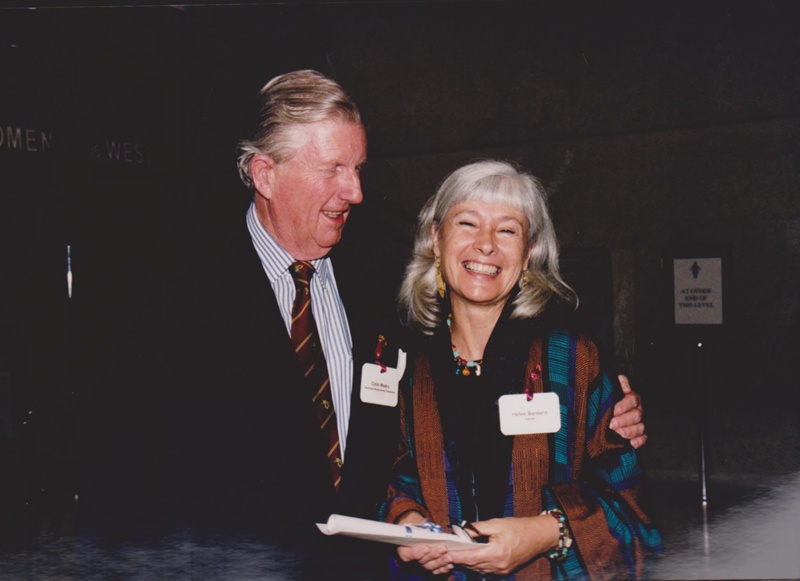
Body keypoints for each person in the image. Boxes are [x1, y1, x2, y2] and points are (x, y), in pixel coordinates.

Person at [179, 71, 648, 576]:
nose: (356, 191)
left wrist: (614, 409)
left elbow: (629, 508)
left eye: (358, 167)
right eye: (334, 168)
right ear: (265, 174)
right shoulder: (180, 296)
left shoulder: (382, 283)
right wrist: (405, 514)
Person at [380, 160, 662, 580]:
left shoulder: (573, 358)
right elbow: (391, 480)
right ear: (436, 240)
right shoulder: (406, 364)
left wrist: (549, 532)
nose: (487, 245)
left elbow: (633, 514)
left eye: (508, 230)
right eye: (468, 223)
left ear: (529, 253)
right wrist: (407, 522)